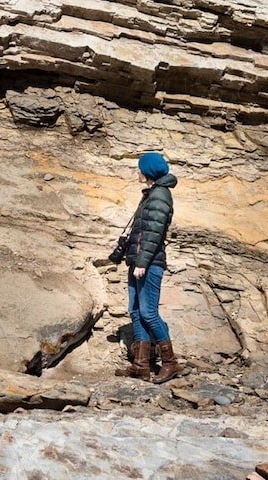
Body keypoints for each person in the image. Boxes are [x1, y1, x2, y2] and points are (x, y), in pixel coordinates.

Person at [112, 151, 182, 383]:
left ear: (148, 171)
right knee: (135, 311)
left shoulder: (160, 195)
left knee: (148, 312)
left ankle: (170, 364)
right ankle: (141, 366)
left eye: (139, 168)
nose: (137, 172)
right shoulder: (152, 194)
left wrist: (142, 262)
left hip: (149, 263)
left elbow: (154, 232)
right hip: (139, 261)